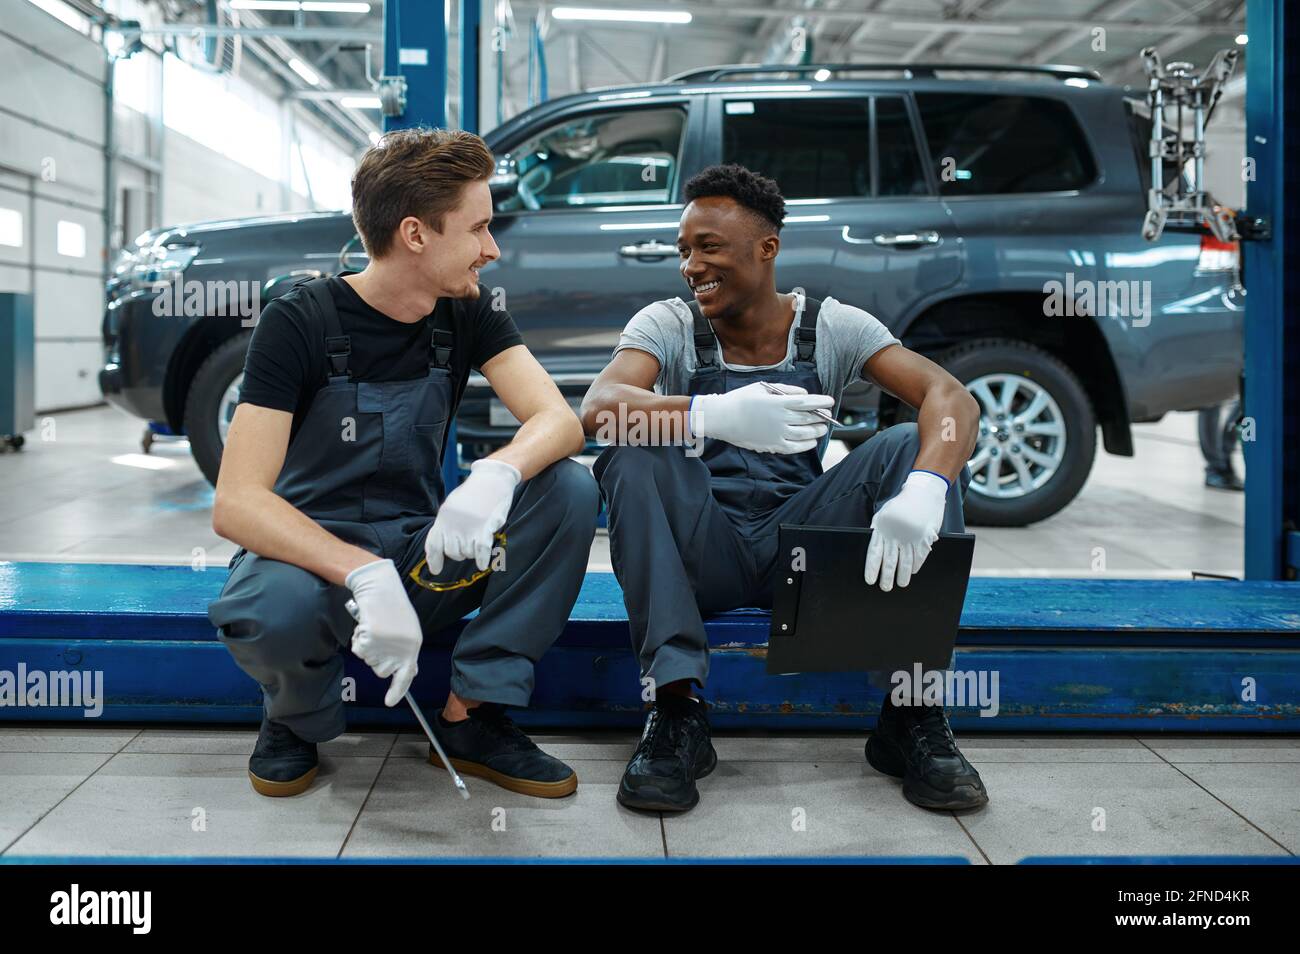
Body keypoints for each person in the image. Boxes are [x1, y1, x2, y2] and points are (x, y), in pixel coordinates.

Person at [582, 164, 988, 813]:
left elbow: (952, 399)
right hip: (703, 552)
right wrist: (709, 415)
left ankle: (910, 716)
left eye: (709, 247)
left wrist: (925, 487)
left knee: (911, 443)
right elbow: (598, 408)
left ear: (767, 248)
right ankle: (677, 711)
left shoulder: (833, 327)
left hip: (802, 558)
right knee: (633, 450)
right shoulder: (669, 324)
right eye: (685, 250)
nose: (691, 265)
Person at [209, 128, 598, 799]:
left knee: (565, 488)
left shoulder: (467, 315)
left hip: (424, 555)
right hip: (309, 563)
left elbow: (560, 421)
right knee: (271, 606)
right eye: (478, 228)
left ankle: (472, 714)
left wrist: (497, 474)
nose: (491, 248)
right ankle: (294, 718)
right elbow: (237, 502)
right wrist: (360, 572)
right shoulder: (299, 320)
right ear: (415, 234)